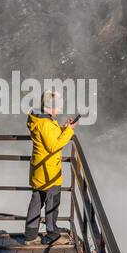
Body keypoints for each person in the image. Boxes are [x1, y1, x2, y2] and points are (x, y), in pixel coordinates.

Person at [24, 90, 77, 243]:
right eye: (58, 106)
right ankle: (52, 234)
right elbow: (54, 145)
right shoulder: (46, 123)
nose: (60, 110)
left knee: (36, 201)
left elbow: (49, 137)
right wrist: (69, 131)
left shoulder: (39, 119)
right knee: (52, 204)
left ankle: (30, 235)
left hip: (39, 170)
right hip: (49, 172)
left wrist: (63, 128)